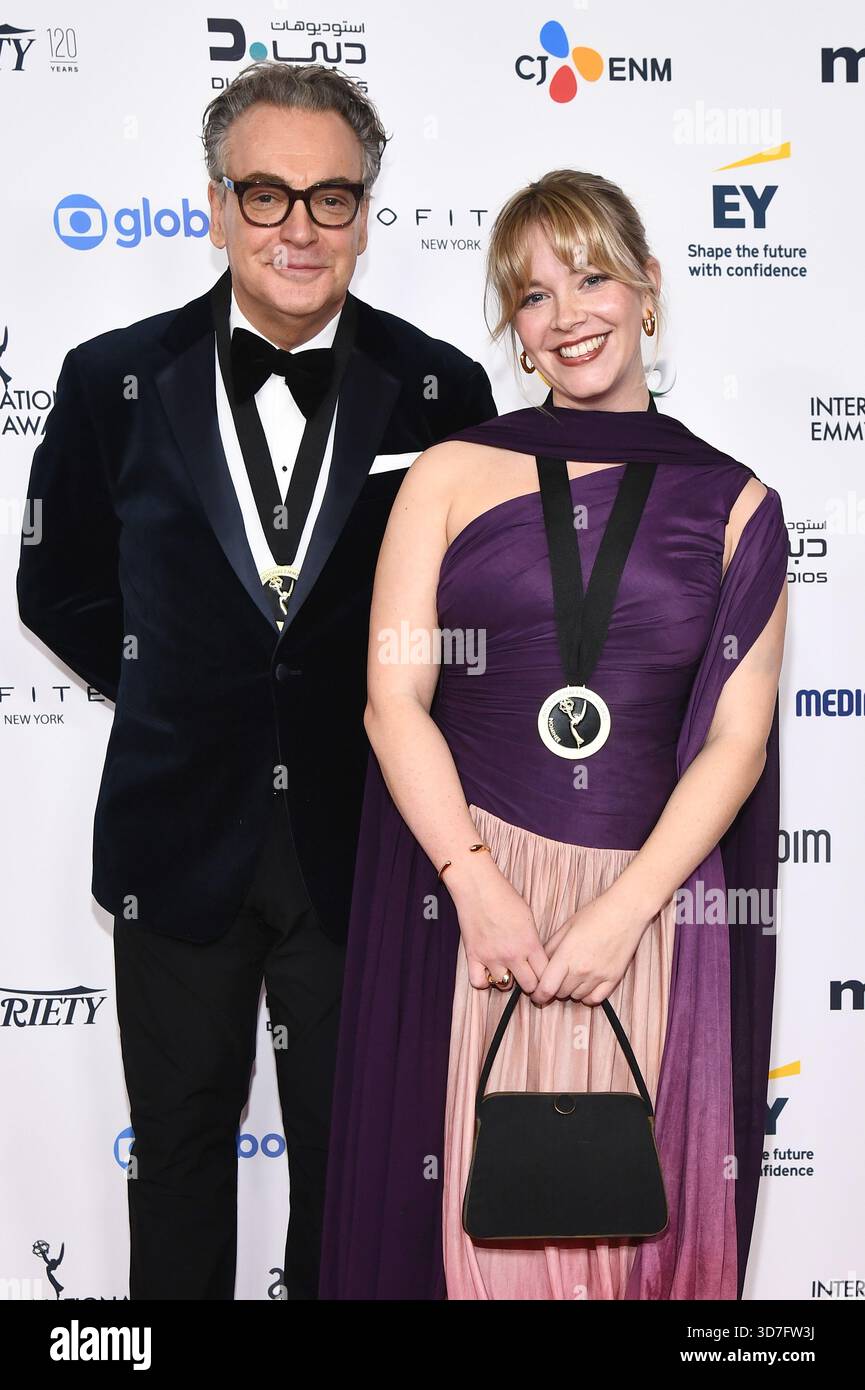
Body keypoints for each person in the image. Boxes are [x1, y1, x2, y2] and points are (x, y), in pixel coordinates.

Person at [15, 60, 496, 1300]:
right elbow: (56, 587)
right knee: (174, 1157)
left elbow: (475, 610)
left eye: (330, 198)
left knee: (358, 1171)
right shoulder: (110, 376)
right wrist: (187, 683)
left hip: (372, 848)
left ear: (366, 211)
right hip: (176, 835)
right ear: (217, 203)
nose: (298, 227)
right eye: (267, 194)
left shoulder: (444, 389)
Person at [319, 168, 788, 1300]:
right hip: (472, 900)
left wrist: (624, 914)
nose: (569, 312)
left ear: (647, 289)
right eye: (533, 296)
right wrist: (474, 885)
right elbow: (393, 700)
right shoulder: (445, 475)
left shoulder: (739, 504)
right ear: (515, 333)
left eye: (590, 276)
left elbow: (737, 739)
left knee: (626, 1232)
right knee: (469, 1238)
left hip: (651, 910)